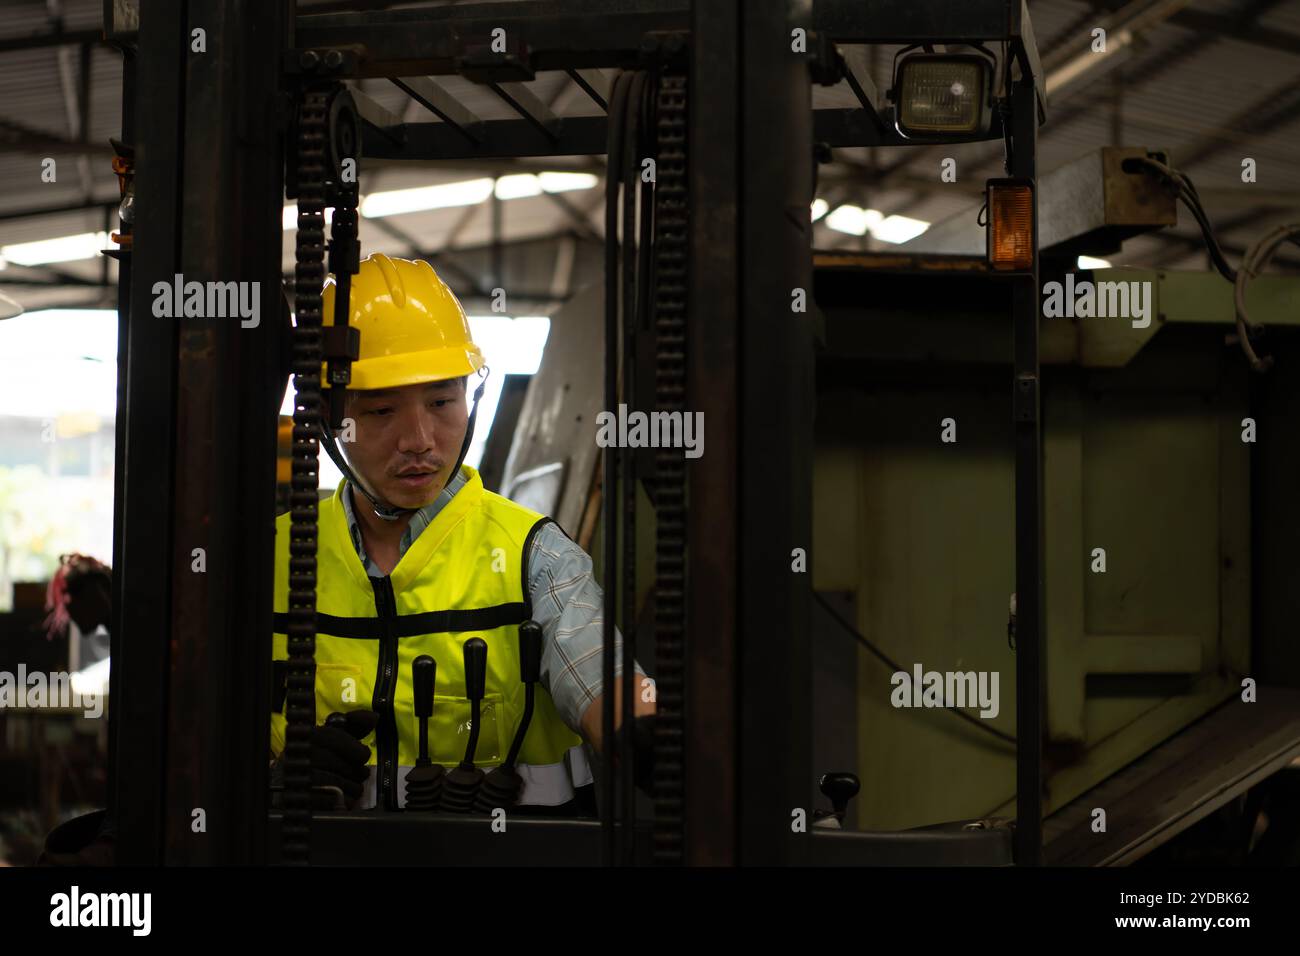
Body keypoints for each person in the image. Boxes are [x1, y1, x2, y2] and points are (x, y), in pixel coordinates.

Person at [270, 253, 654, 815]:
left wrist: (647, 734)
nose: (420, 439)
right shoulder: (274, 559)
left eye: (442, 401)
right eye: (380, 411)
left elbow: (600, 669)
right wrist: (276, 775)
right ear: (328, 416)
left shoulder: (532, 554)